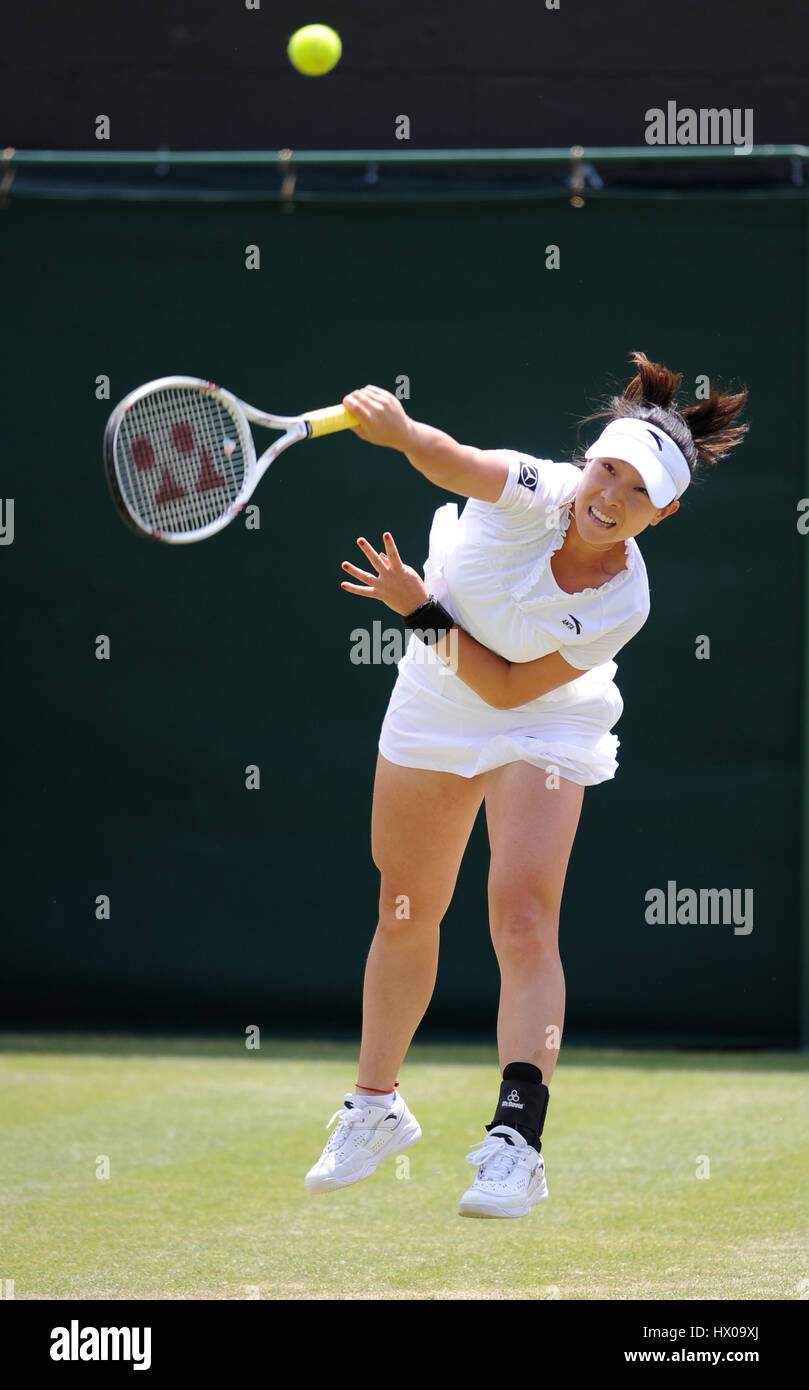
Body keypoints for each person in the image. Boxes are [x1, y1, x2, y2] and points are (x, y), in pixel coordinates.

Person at [304, 351, 749, 1218]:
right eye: (607, 468)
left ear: (664, 514)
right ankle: (375, 1106)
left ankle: (515, 1142)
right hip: (436, 696)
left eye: (637, 491)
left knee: (520, 912)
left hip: (541, 714)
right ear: (587, 462)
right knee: (406, 908)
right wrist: (399, 435)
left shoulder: (624, 602)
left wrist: (414, 608)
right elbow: (452, 458)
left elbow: (508, 690)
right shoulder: (535, 485)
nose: (609, 495)